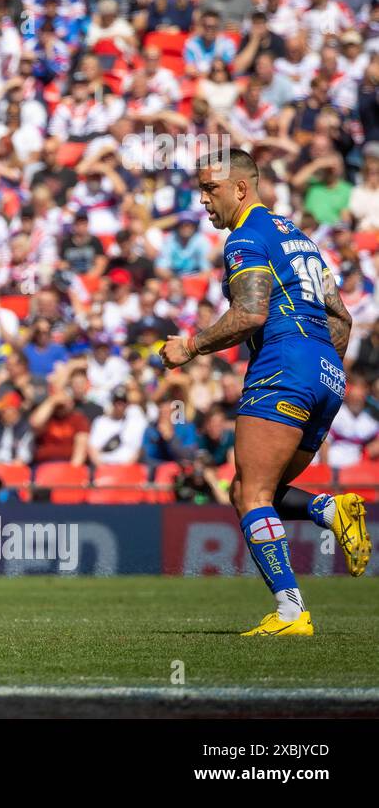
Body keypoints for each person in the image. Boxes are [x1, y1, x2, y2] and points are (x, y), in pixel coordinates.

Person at [161, 149, 370, 636]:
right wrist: (318, 366)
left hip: (283, 363)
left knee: (250, 493)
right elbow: (342, 318)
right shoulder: (300, 240)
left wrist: (190, 346)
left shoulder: (245, 239)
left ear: (241, 188)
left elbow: (251, 314)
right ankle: (327, 508)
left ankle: (292, 612)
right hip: (325, 372)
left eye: (211, 190)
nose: (204, 201)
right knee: (253, 488)